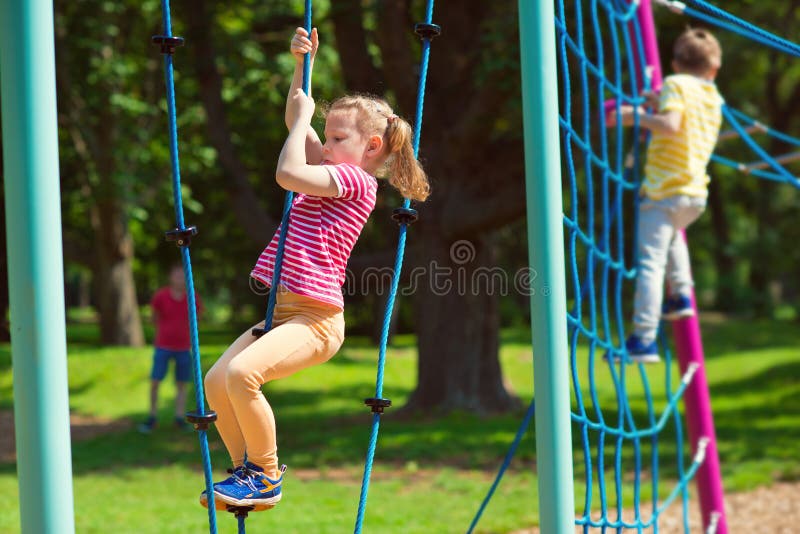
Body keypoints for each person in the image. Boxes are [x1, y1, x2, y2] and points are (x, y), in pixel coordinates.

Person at [199, 26, 430, 510]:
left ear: (369, 148)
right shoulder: (333, 167)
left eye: (336, 136)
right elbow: (295, 122)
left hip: (316, 319)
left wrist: (303, 119)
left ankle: (264, 473)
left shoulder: (353, 182)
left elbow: (287, 172)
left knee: (242, 374)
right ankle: (246, 472)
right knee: (217, 381)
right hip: (285, 313)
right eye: (327, 136)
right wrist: (302, 67)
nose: (325, 143)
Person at [607, 27, 723, 363]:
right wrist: (659, 104)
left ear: (674, 62)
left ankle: (643, 339)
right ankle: (682, 296)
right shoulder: (713, 96)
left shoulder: (674, 84)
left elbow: (672, 125)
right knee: (673, 239)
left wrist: (635, 116)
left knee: (650, 265)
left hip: (662, 192)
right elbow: (686, 119)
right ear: (713, 70)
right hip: (693, 195)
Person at [139, 264, 203, 433]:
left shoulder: (192, 296)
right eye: (176, 276)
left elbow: (198, 318)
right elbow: (153, 316)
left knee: (182, 383)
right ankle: (152, 417)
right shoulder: (161, 296)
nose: (179, 280)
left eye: (182, 276)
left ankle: (179, 417)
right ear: (171, 278)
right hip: (163, 346)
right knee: (155, 381)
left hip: (183, 347)